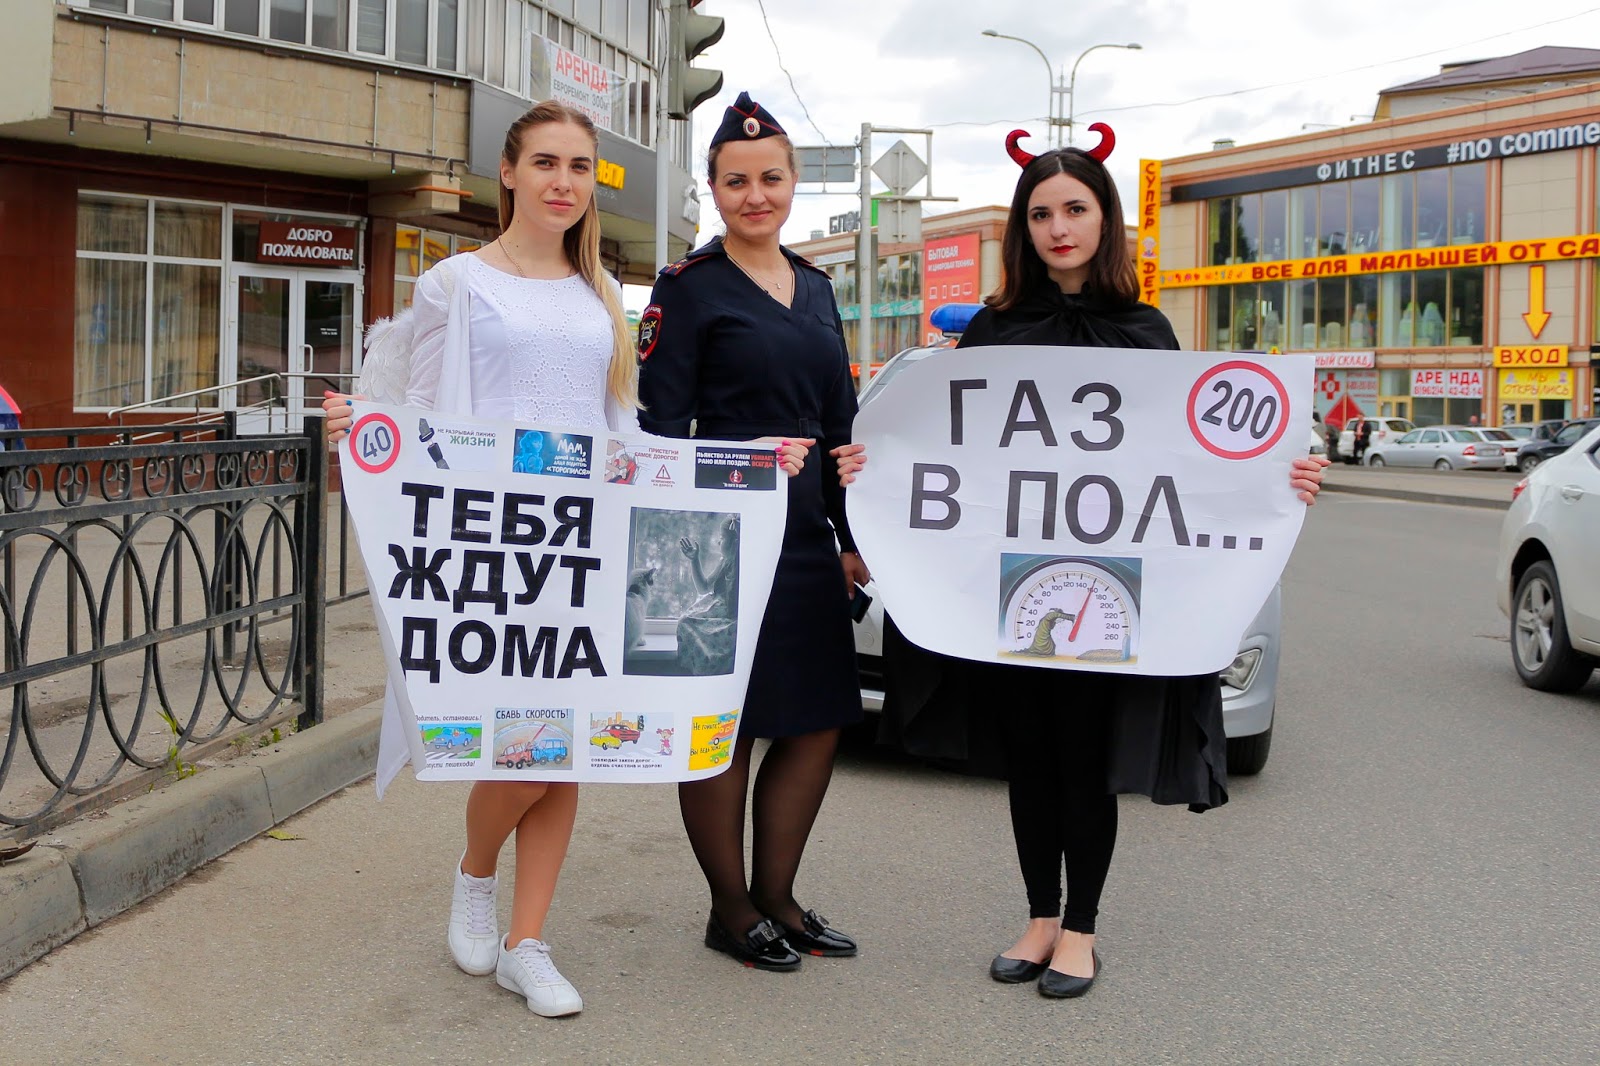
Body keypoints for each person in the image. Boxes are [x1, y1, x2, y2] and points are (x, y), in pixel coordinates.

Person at [321, 100, 808, 1016]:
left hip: (587, 543)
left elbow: (627, 430)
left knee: (569, 746)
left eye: (580, 168)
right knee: (527, 751)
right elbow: (423, 415)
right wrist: (362, 428)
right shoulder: (457, 283)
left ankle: (527, 941)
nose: (563, 183)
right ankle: (475, 873)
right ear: (507, 172)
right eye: (546, 163)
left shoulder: (600, 298)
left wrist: (742, 466)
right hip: (500, 545)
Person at [834, 124, 1329, 1000]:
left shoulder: (1146, 332)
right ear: (1024, 229)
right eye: (1041, 213)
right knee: (1029, 756)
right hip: (1011, 583)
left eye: (1075, 208)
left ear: (1105, 219)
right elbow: (941, 439)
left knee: (1084, 757)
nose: (1059, 226)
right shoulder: (991, 332)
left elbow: (1198, 457)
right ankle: (1036, 916)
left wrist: (1285, 471)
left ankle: (1083, 929)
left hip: (1114, 588)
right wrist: (871, 467)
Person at [637, 92, 865, 972]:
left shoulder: (816, 288)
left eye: (771, 178)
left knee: (813, 723)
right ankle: (730, 909)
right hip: (709, 547)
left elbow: (840, 423)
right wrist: (735, 466)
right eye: (736, 181)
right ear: (713, 189)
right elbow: (659, 430)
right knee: (717, 728)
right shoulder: (687, 290)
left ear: (793, 183)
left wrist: (849, 534)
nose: (755, 195)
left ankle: (778, 896)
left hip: (805, 543)